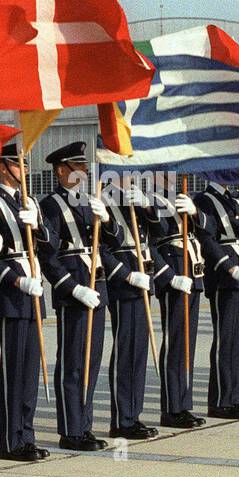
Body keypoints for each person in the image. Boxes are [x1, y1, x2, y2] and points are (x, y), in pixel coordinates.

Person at [38, 142, 123, 446]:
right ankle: (71, 430)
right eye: (78, 166)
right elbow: (48, 257)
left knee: (92, 360)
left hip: (97, 288)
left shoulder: (90, 201)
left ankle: (84, 424)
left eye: (85, 166)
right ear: (62, 171)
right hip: (74, 292)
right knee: (73, 362)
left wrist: (109, 220)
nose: (85, 171)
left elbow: (115, 242)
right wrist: (73, 288)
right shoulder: (49, 205)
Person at [0, 141, 52, 460]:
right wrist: (16, 279)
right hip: (14, 291)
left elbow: (50, 242)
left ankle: (27, 434)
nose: (24, 168)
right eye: (17, 163)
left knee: (30, 369)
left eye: (25, 164)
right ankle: (11, 440)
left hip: (34, 288)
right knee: (14, 369)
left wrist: (36, 224)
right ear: (3, 168)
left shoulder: (30, 202)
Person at [102, 174, 163, 439]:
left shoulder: (137, 197)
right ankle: (122, 419)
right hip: (124, 282)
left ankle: (133, 414)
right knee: (126, 350)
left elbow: (158, 232)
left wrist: (147, 207)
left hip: (144, 277)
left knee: (139, 352)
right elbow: (103, 248)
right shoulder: (104, 198)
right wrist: (125, 274)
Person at [144, 173, 206, 428]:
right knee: (175, 342)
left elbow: (207, 229)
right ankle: (171, 407)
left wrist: (194, 214)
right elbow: (150, 243)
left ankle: (183, 403)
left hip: (192, 272)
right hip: (175, 275)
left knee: (187, 345)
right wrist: (168, 277)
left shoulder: (180, 198)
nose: (172, 177)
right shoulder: (151, 201)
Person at [195, 179, 239, 418]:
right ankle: (220, 400)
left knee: (238, 340)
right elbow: (207, 240)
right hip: (224, 276)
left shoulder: (233, 199)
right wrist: (229, 267)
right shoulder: (204, 199)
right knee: (225, 339)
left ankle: (233, 398)